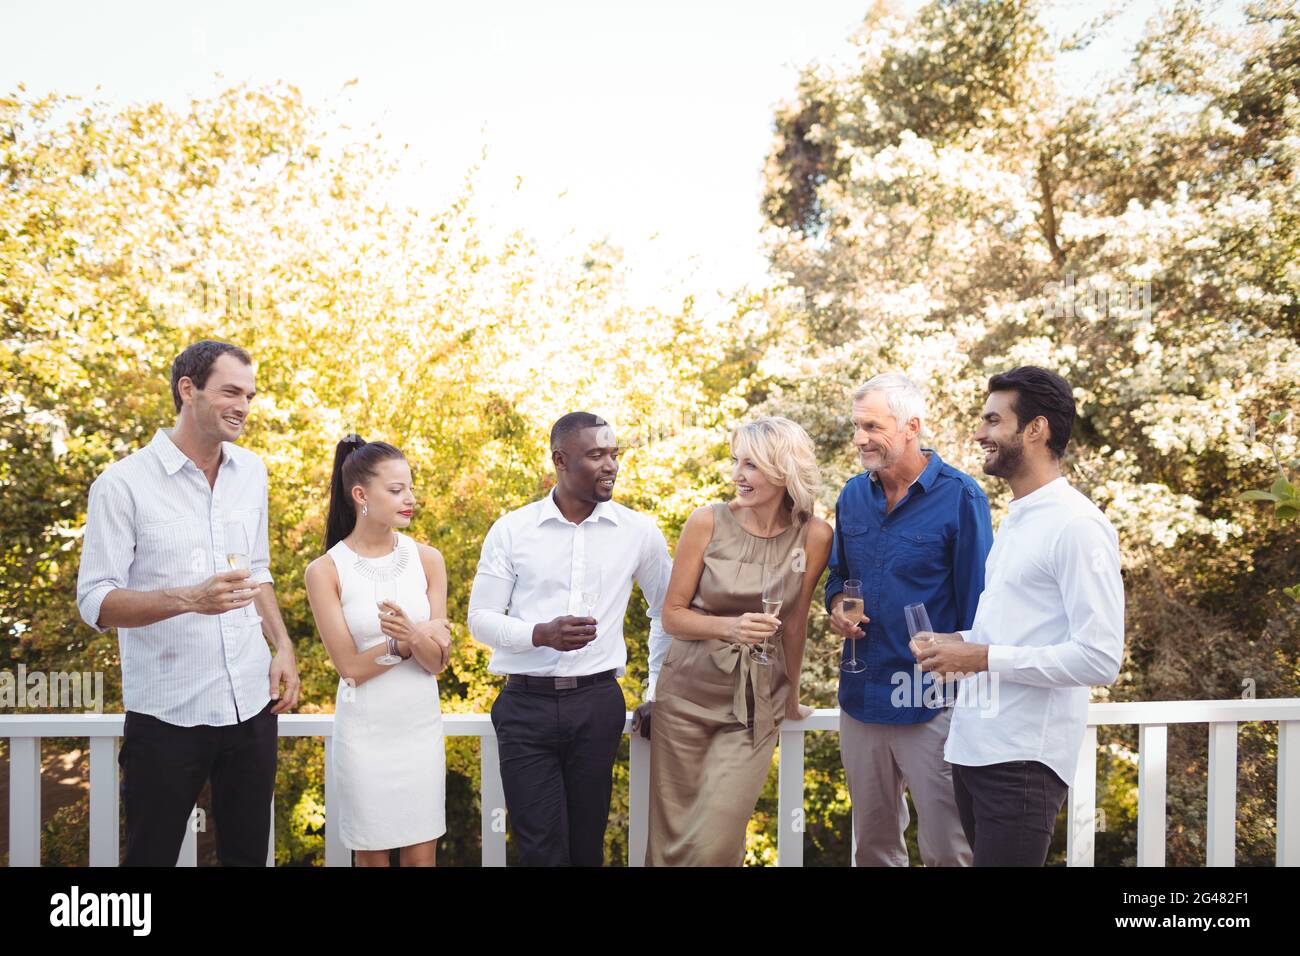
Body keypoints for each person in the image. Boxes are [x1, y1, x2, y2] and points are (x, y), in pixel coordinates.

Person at [76, 340, 300, 866]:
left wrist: (283, 645)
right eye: (230, 392)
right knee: (150, 858)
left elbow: (258, 570)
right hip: (167, 717)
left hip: (251, 707)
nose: (243, 406)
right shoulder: (121, 485)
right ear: (188, 390)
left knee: (249, 858)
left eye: (249, 396)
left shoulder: (253, 472)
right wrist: (190, 599)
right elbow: (95, 600)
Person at [912, 366, 1124, 866]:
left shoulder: (1078, 525)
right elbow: (1010, 632)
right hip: (972, 750)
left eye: (993, 420)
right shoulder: (1017, 518)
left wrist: (981, 656)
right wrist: (957, 642)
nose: (978, 433)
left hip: (1023, 762)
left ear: (1036, 429)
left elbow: (1099, 658)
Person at [467, 412, 673, 866]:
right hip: (524, 707)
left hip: (596, 704)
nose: (610, 465)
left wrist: (656, 691)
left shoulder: (639, 532)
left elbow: (667, 613)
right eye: (596, 455)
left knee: (586, 848)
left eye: (614, 454)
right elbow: (480, 619)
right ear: (560, 460)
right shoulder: (512, 530)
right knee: (540, 849)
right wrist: (539, 634)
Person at [643, 416, 832, 866]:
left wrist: (791, 699)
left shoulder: (816, 535)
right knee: (671, 842)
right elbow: (672, 615)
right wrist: (729, 628)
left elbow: (796, 623)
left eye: (751, 465)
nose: (737, 475)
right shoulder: (706, 521)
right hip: (684, 699)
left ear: (783, 469)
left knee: (715, 843)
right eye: (736, 462)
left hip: (754, 706)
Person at [825, 372, 992, 867]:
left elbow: (981, 608)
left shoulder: (962, 497)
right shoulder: (852, 496)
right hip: (861, 697)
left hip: (931, 701)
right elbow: (840, 576)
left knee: (948, 850)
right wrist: (838, 607)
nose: (860, 439)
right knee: (873, 850)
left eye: (872, 426)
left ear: (911, 427)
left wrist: (969, 697)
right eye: (857, 426)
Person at [304, 436, 451, 866]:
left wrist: (416, 640)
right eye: (396, 490)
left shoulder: (428, 559)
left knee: (422, 861)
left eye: (410, 488)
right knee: (371, 861)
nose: (410, 499)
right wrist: (406, 641)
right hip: (365, 735)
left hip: (420, 730)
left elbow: (438, 662)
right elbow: (350, 667)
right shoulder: (325, 570)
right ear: (361, 495)